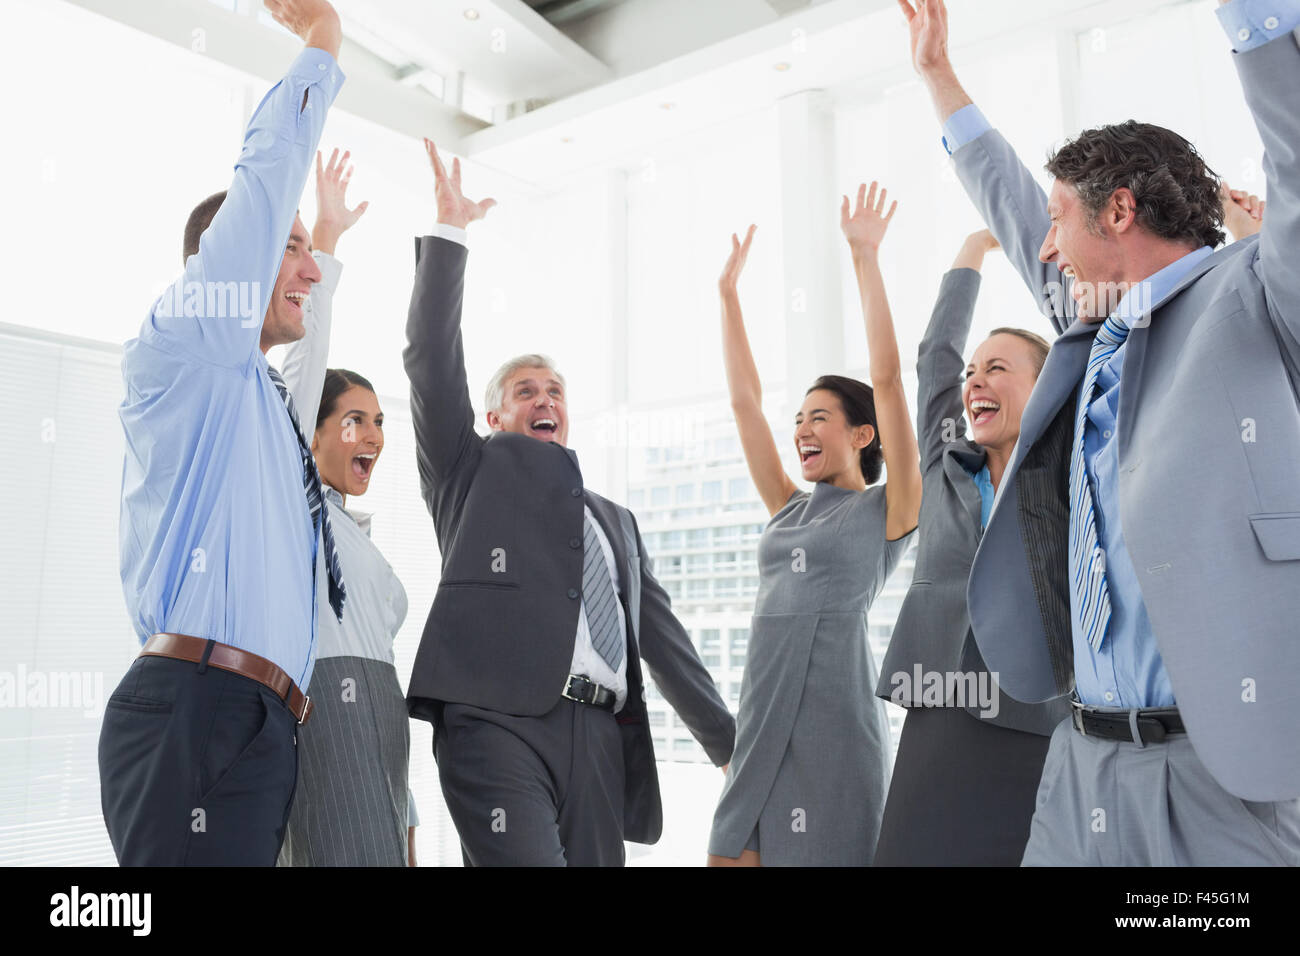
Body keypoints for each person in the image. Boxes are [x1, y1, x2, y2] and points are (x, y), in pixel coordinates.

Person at [898, 0, 1300, 865]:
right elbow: (1010, 205)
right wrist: (937, 76)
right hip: (1078, 768)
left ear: (1118, 212)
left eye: (1061, 222)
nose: (1045, 248)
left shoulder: (1261, 293)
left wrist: (1257, 22)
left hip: (1218, 780)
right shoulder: (1087, 327)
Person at [402, 140, 736, 867]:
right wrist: (449, 233)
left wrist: (730, 750)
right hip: (498, 723)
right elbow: (431, 360)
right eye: (526, 391)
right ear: (495, 418)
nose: (545, 399)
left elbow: (668, 648)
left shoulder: (616, 522)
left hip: (601, 736)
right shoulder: (470, 470)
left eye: (555, 391)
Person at [99, 0, 345, 866]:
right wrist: (322, 43)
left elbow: (308, 364)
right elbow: (265, 180)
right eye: (291, 247)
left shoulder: (259, 405)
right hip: (196, 707)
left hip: (256, 720)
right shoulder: (189, 339)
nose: (309, 270)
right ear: (227, 258)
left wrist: (328, 244)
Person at [707, 183, 922, 867]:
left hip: (837, 724)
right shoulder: (788, 506)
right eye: (797, 419)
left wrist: (864, 257)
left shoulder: (889, 509)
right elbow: (744, 405)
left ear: (862, 434)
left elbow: (887, 380)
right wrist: (728, 299)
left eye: (818, 417)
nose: (801, 429)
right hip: (764, 711)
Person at [873, 230, 1070, 866]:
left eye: (998, 369)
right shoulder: (946, 458)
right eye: (973, 372)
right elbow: (936, 354)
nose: (975, 381)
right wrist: (972, 252)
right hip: (937, 701)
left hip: (1035, 716)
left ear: (1043, 387)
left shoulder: (1069, 470)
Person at [269, 150, 419, 867]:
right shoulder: (292, 506)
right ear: (315, 432)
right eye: (354, 419)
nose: (373, 435)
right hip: (330, 715)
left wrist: (411, 811)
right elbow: (306, 363)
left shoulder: (358, 541)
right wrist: (325, 241)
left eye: (381, 421)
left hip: (383, 731)